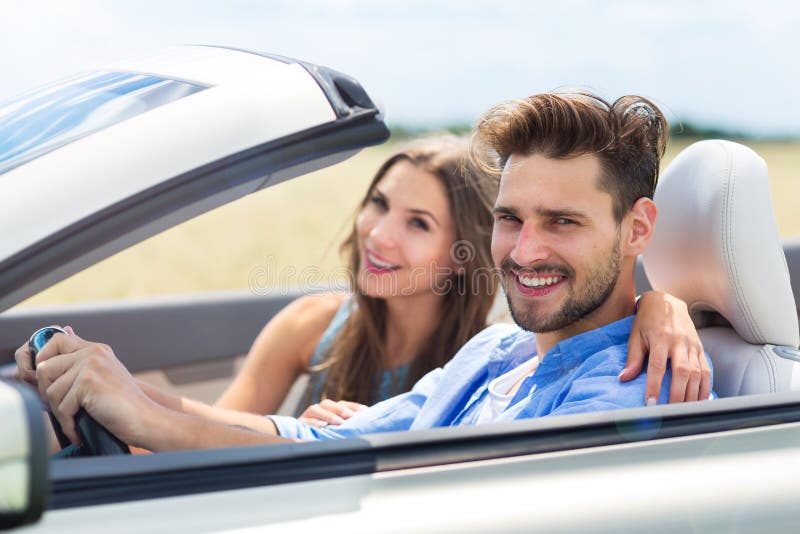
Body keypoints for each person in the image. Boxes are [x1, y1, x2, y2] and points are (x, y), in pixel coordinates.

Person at [17, 91, 714, 451]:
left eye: (563, 221)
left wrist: (144, 418)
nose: (526, 250)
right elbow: (328, 438)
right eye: (511, 218)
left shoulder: (632, 388)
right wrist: (120, 388)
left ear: (638, 229)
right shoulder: (496, 351)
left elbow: (472, 498)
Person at [214, 135, 701, 428]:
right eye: (379, 204)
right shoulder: (315, 323)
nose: (378, 235)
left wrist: (658, 303)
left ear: (462, 253)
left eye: (418, 223)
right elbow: (228, 426)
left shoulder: (491, 352)